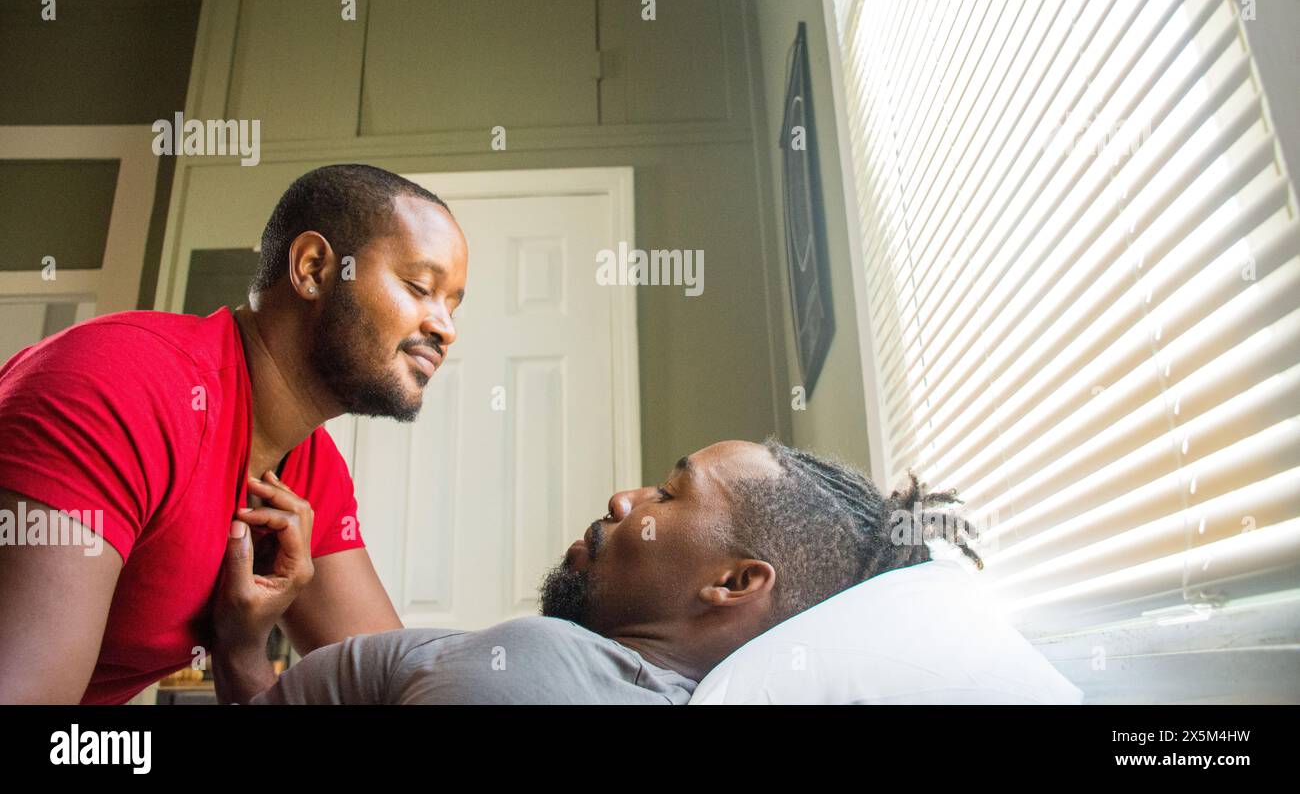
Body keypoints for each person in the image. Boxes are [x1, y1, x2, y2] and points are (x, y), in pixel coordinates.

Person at [0, 163, 469, 703]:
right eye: (420, 288)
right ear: (314, 268)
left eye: (454, 304)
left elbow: (396, 691)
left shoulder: (311, 469)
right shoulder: (120, 386)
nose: (445, 328)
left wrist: (243, 646)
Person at [211, 438, 982, 704]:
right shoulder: (593, 674)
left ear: (737, 583)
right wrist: (244, 645)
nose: (625, 497)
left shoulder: (542, 677)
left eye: (670, 493)